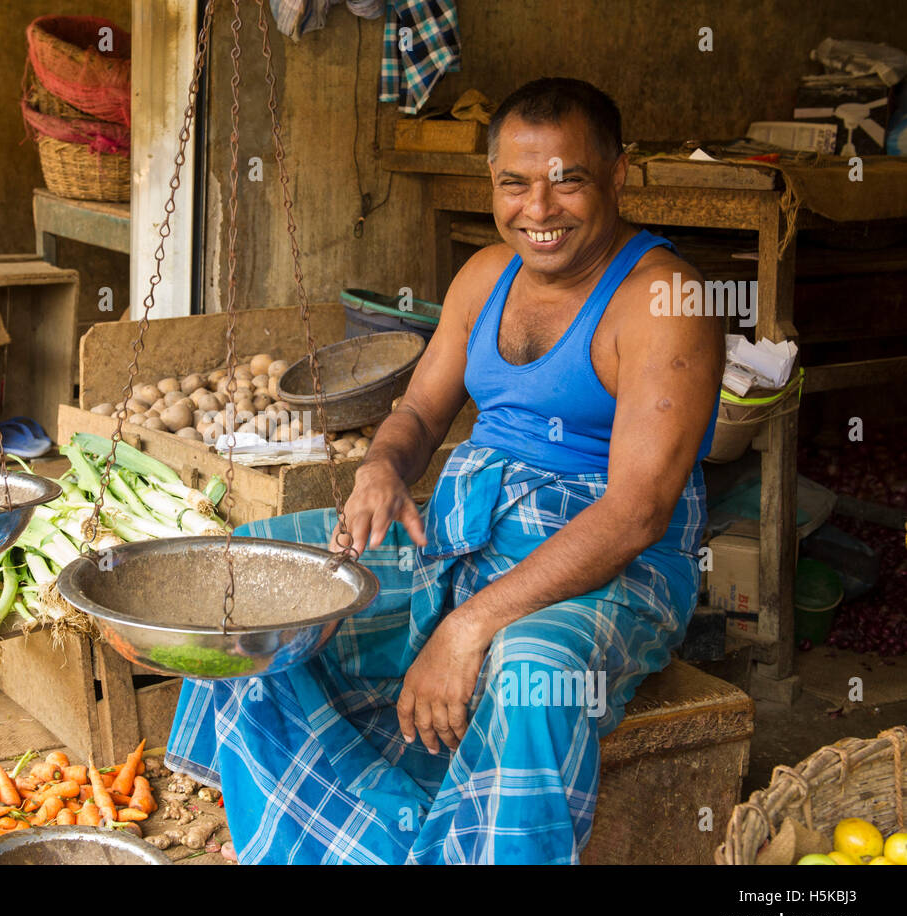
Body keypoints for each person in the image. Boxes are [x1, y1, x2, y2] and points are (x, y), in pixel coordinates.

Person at [166, 77, 724, 864]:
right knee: (251, 574)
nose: (539, 209)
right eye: (514, 184)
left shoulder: (664, 298)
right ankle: (350, 842)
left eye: (567, 180)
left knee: (530, 670)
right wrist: (384, 468)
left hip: (611, 568)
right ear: (491, 183)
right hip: (468, 531)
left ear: (618, 174)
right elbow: (422, 414)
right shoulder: (486, 275)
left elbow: (637, 512)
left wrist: (469, 627)